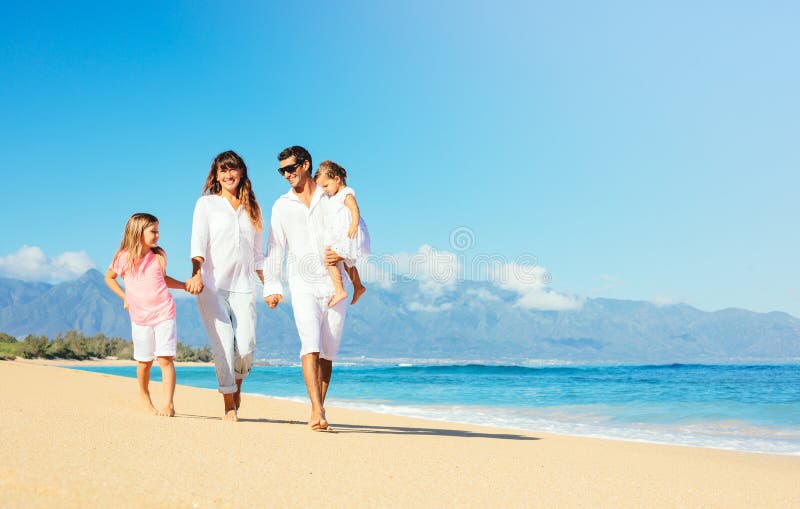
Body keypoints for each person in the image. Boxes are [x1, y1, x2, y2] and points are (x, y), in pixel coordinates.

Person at [263, 145, 348, 430]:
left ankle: (320, 407)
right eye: (282, 171)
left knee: (328, 351)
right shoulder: (281, 206)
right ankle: (316, 410)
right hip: (301, 283)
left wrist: (346, 254)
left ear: (306, 165)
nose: (286, 174)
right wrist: (271, 286)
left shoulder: (332, 196)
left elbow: (356, 232)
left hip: (335, 282)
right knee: (309, 343)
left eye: (290, 168)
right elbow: (275, 248)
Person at [186, 150, 264, 422]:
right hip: (211, 287)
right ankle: (229, 403)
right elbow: (198, 243)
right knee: (222, 344)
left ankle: (237, 385)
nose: (228, 174)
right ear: (216, 176)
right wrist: (196, 274)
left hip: (244, 286)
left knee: (245, 345)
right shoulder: (206, 204)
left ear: (241, 172)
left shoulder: (253, 208)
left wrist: (271, 285)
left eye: (233, 169)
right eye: (223, 170)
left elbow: (258, 254)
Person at [104, 212, 185, 417]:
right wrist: (125, 296)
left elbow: (163, 280)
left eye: (158, 231)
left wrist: (184, 286)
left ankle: (168, 404)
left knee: (165, 359)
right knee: (144, 362)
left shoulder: (158, 255)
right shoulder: (122, 257)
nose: (158, 235)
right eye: (153, 231)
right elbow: (110, 278)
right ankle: (144, 394)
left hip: (164, 312)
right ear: (138, 232)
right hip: (140, 317)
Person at [314, 160, 370, 307]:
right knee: (347, 263)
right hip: (341, 233)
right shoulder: (332, 197)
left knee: (330, 259)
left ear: (337, 179)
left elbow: (354, 209)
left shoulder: (346, 193)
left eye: (326, 185)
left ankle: (339, 290)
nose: (324, 189)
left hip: (348, 233)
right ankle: (358, 286)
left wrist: (354, 225)